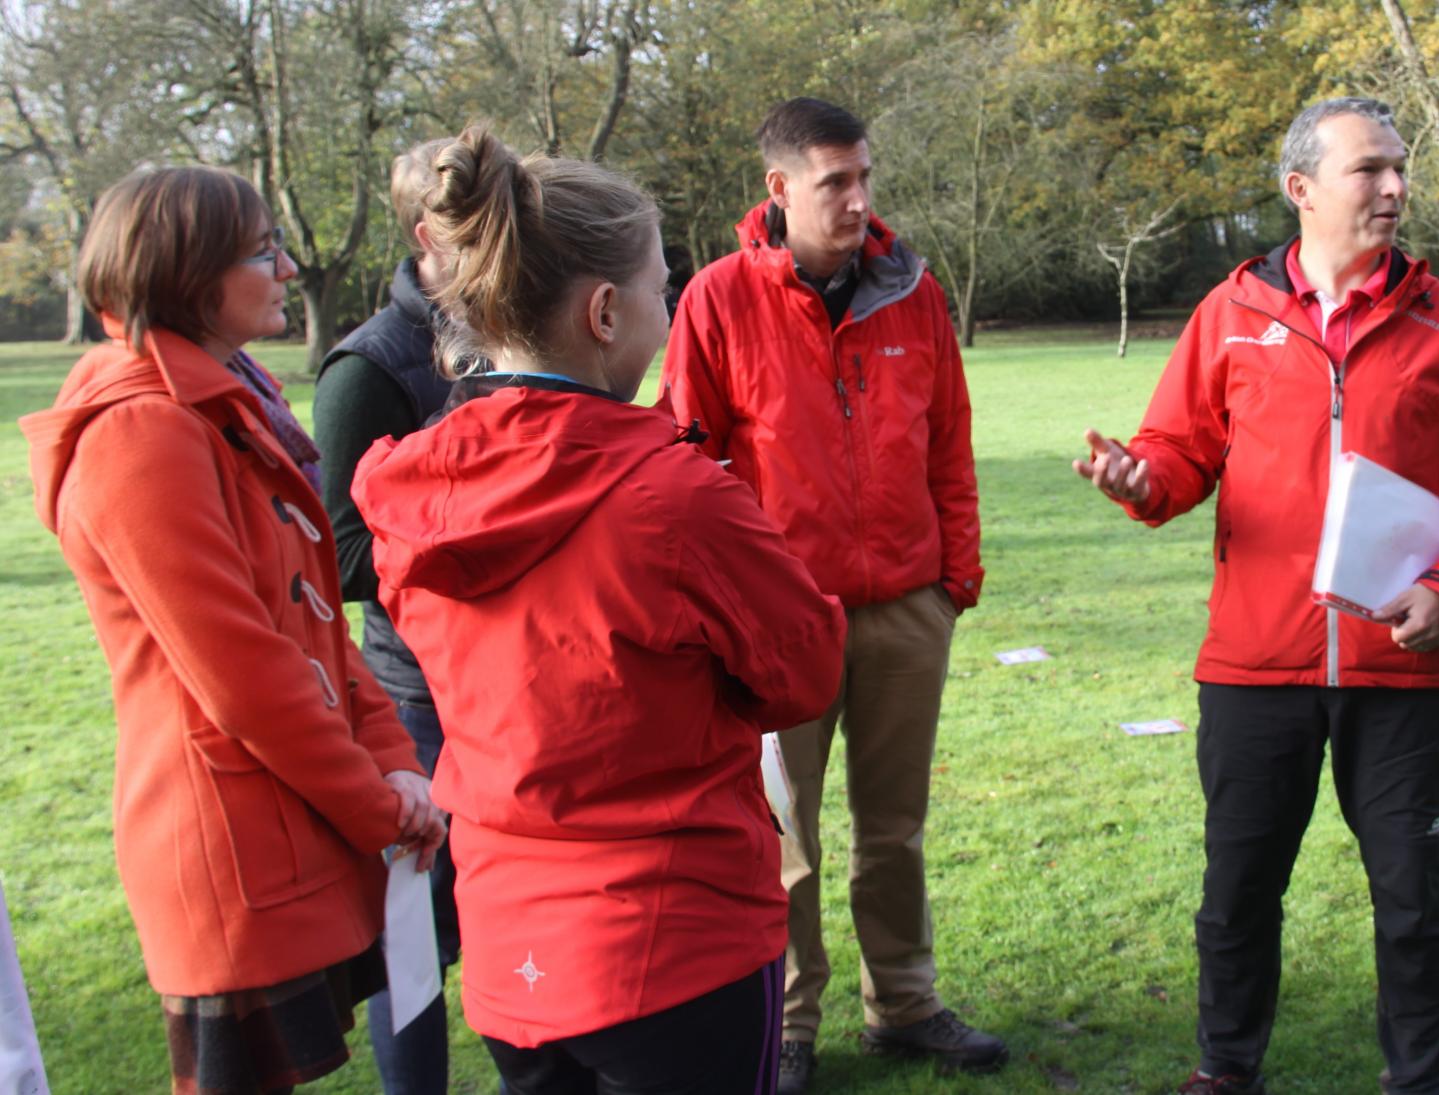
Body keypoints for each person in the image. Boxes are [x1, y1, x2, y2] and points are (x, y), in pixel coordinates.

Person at [353, 126, 847, 1095]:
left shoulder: (409, 492)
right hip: (672, 942)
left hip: (512, 952)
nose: (672, 309)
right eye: (665, 287)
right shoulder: (674, 500)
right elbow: (806, 666)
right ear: (607, 312)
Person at [1075, 97, 1439, 1095]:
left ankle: (1417, 1081)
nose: (1393, 187)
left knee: (1412, 905)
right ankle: (1224, 1070)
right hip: (1254, 669)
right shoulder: (1230, 314)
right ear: (1300, 190)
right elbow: (1178, 452)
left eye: (1398, 167)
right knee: (1236, 896)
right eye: (1369, 169)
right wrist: (1138, 481)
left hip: (1403, 668)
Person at [21, 165, 445, 1094]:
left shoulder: (225, 399)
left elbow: (318, 620)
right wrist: (383, 803)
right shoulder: (143, 431)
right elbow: (243, 669)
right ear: (186, 275)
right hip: (227, 842)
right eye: (262, 251)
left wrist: (394, 757)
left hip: (279, 818)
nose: (289, 267)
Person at [661, 97, 1000, 1092]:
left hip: (906, 607)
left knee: (892, 829)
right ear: (778, 189)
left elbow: (948, 443)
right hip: (778, 623)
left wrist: (953, 583)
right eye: (832, 184)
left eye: (864, 178)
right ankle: (791, 1026)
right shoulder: (717, 300)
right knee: (786, 840)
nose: (856, 202)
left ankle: (903, 1003)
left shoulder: (913, 292)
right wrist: (729, 606)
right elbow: (686, 460)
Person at [311, 137, 459, 1095]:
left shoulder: (509, 331)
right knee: (416, 947)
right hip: (420, 702)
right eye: (483, 226)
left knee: (517, 918)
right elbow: (341, 554)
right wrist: (481, 543)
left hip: (514, 683)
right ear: (425, 236)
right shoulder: (367, 367)